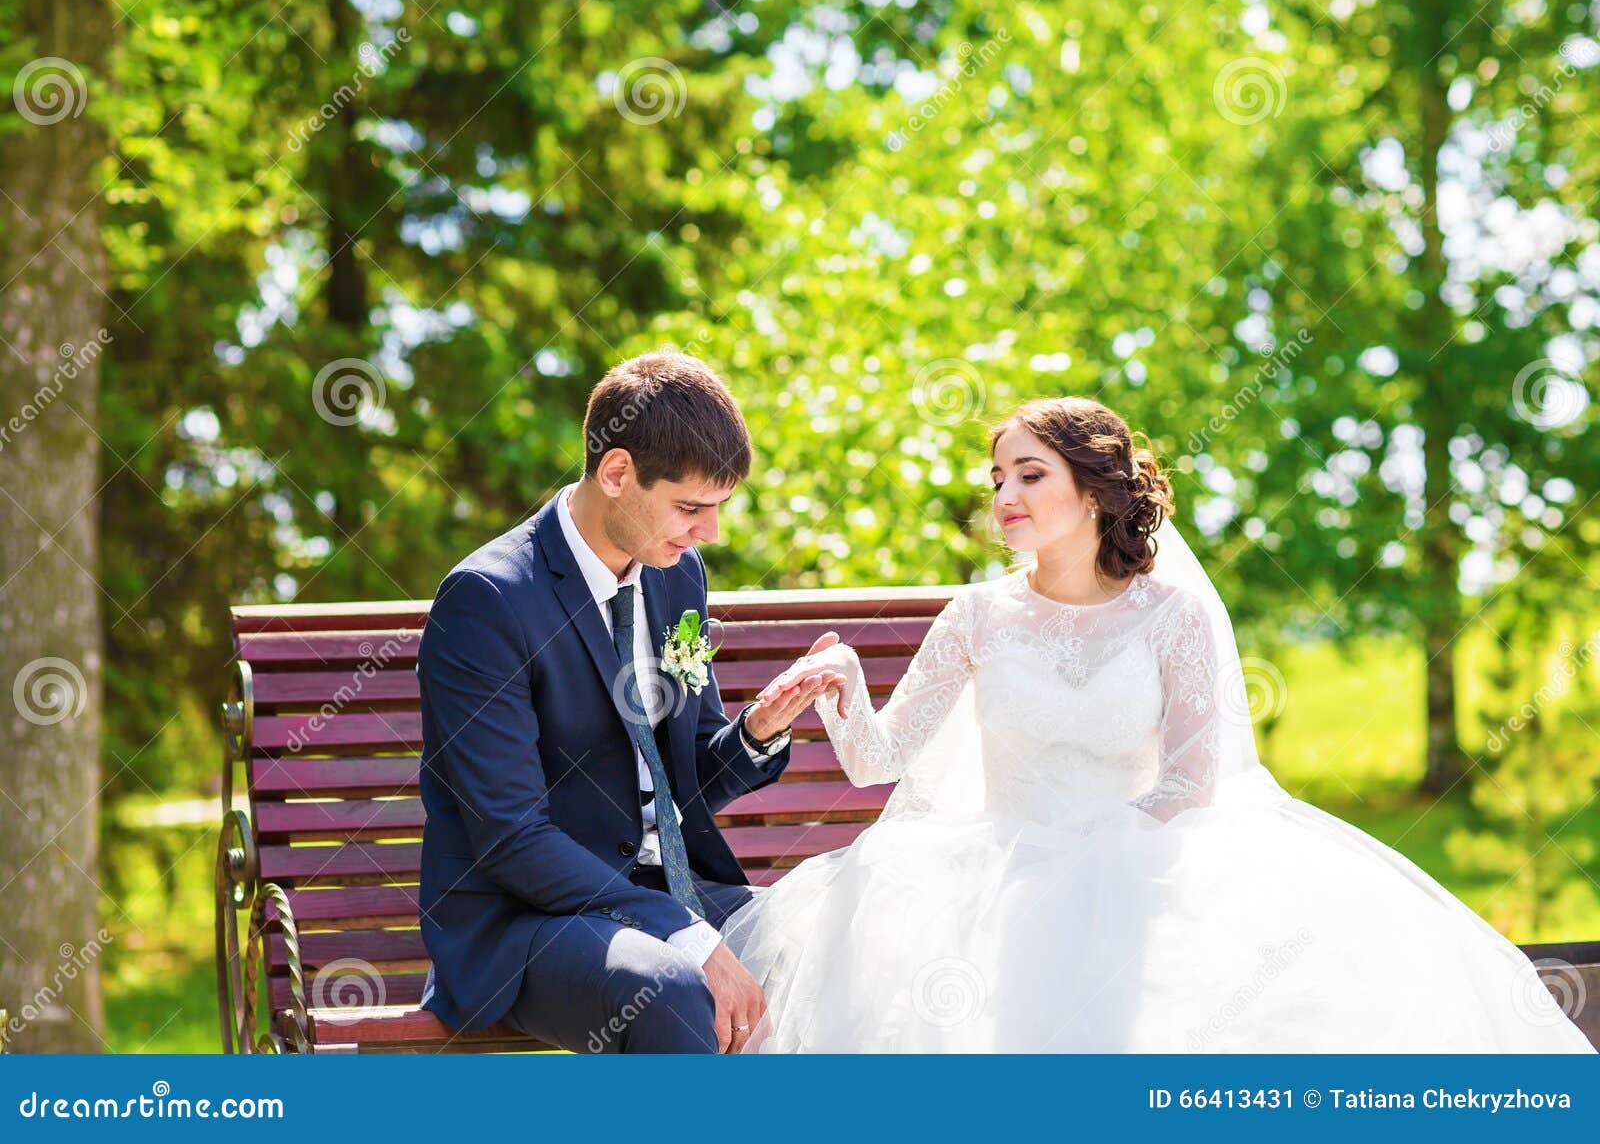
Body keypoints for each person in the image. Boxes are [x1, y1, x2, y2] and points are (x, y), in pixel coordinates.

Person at [719, 396, 1597, 1053]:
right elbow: (876, 762)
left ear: (1094, 490)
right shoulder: (977, 616)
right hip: (995, 868)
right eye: (998, 478)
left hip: (1136, 865)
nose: (1006, 494)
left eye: (1031, 474)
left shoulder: (1170, 614)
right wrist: (842, 683)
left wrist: (1091, 867)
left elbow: (1189, 778)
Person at [416, 351, 843, 1053]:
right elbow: (512, 838)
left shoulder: (676, 573)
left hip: (663, 889)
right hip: (527, 917)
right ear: (616, 473)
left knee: (826, 939)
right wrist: (688, 934)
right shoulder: (488, 600)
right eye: (690, 508)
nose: (709, 532)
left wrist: (758, 730)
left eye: (717, 509)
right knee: (669, 984)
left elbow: (687, 780)